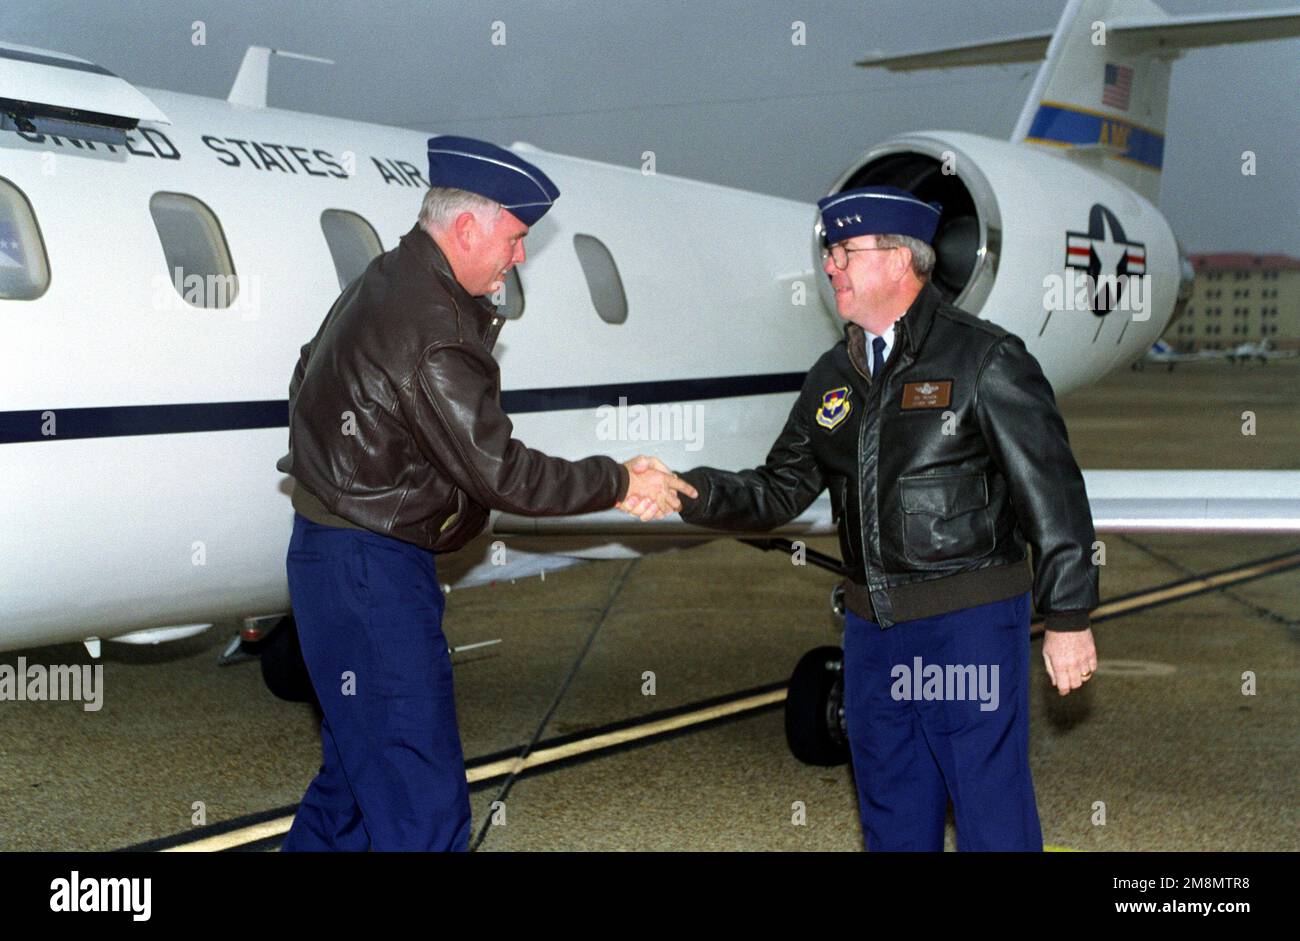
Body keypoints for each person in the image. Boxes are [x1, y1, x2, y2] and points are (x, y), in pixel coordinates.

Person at [275, 135, 695, 851]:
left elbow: (305, 379)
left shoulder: (384, 278)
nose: (520, 256)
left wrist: (381, 475)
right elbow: (505, 472)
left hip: (327, 554)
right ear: (467, 226)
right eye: (516, 236)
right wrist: (621, 479)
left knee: (350, 786)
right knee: (422, 809)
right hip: (373, 574)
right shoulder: (435, 327)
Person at [676, 186, 1099, 851]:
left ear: (902, 260)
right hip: (872, 632)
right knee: (892, 816)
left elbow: (1053, 492)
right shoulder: (831, 377)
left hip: (967, 627)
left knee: (991, 814)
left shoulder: (983, 359)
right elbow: (779, 489)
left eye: (846, 250)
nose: (831, 266)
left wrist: (1068, 617)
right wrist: (686, 491)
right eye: (829, 251)